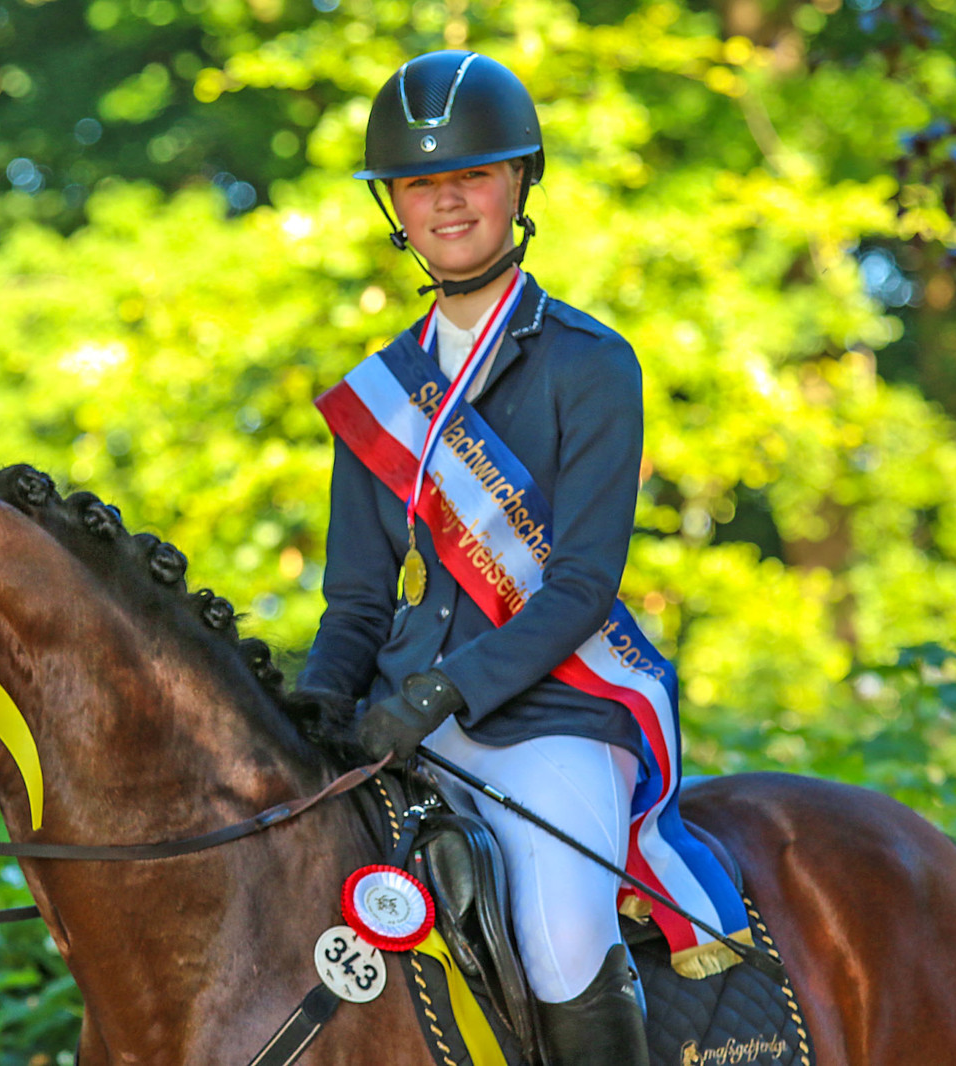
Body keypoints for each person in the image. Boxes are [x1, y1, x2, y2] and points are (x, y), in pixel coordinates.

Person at [298, 50, 751, 1066]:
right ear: (395, 207)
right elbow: (356, 600)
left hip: (549, 718)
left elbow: (584, 585)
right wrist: (317, 699)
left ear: (519, 183)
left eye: (474, 174)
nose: (448, 200)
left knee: (557, 942)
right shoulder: (378, 392)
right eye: (421, 182)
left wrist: (447, 690)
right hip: (397, 725)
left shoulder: (592, 364)